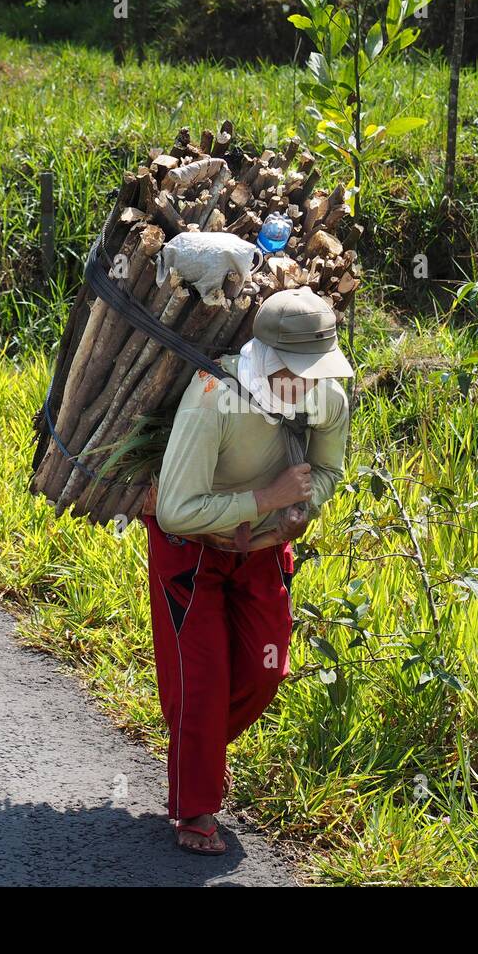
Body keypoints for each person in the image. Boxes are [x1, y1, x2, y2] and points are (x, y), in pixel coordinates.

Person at [139, 287, 353, 854]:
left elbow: (329, 470)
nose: (309, 387)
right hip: (192, 551)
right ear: (270, 360)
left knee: (266, 670)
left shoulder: (328, 397)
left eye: (316, 374)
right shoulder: (214, 397)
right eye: (299, 374)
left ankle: (198, 748)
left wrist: (298, 508)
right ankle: (195, 807)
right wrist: (263, 499)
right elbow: (176, 509)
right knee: (202, 680)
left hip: (260, 551)